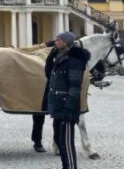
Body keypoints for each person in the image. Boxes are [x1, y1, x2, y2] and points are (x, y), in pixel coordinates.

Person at [45, 32, 90, 169]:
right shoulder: (60, 58)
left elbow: (75, 87)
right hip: (59, 107)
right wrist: (50, 56)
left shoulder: (74, 61)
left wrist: (68, 108)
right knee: (61, 142)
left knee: (67, 143)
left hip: (67, 109)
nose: (55, 42)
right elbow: (48, 75)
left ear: (66, 42)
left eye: (58, 40)